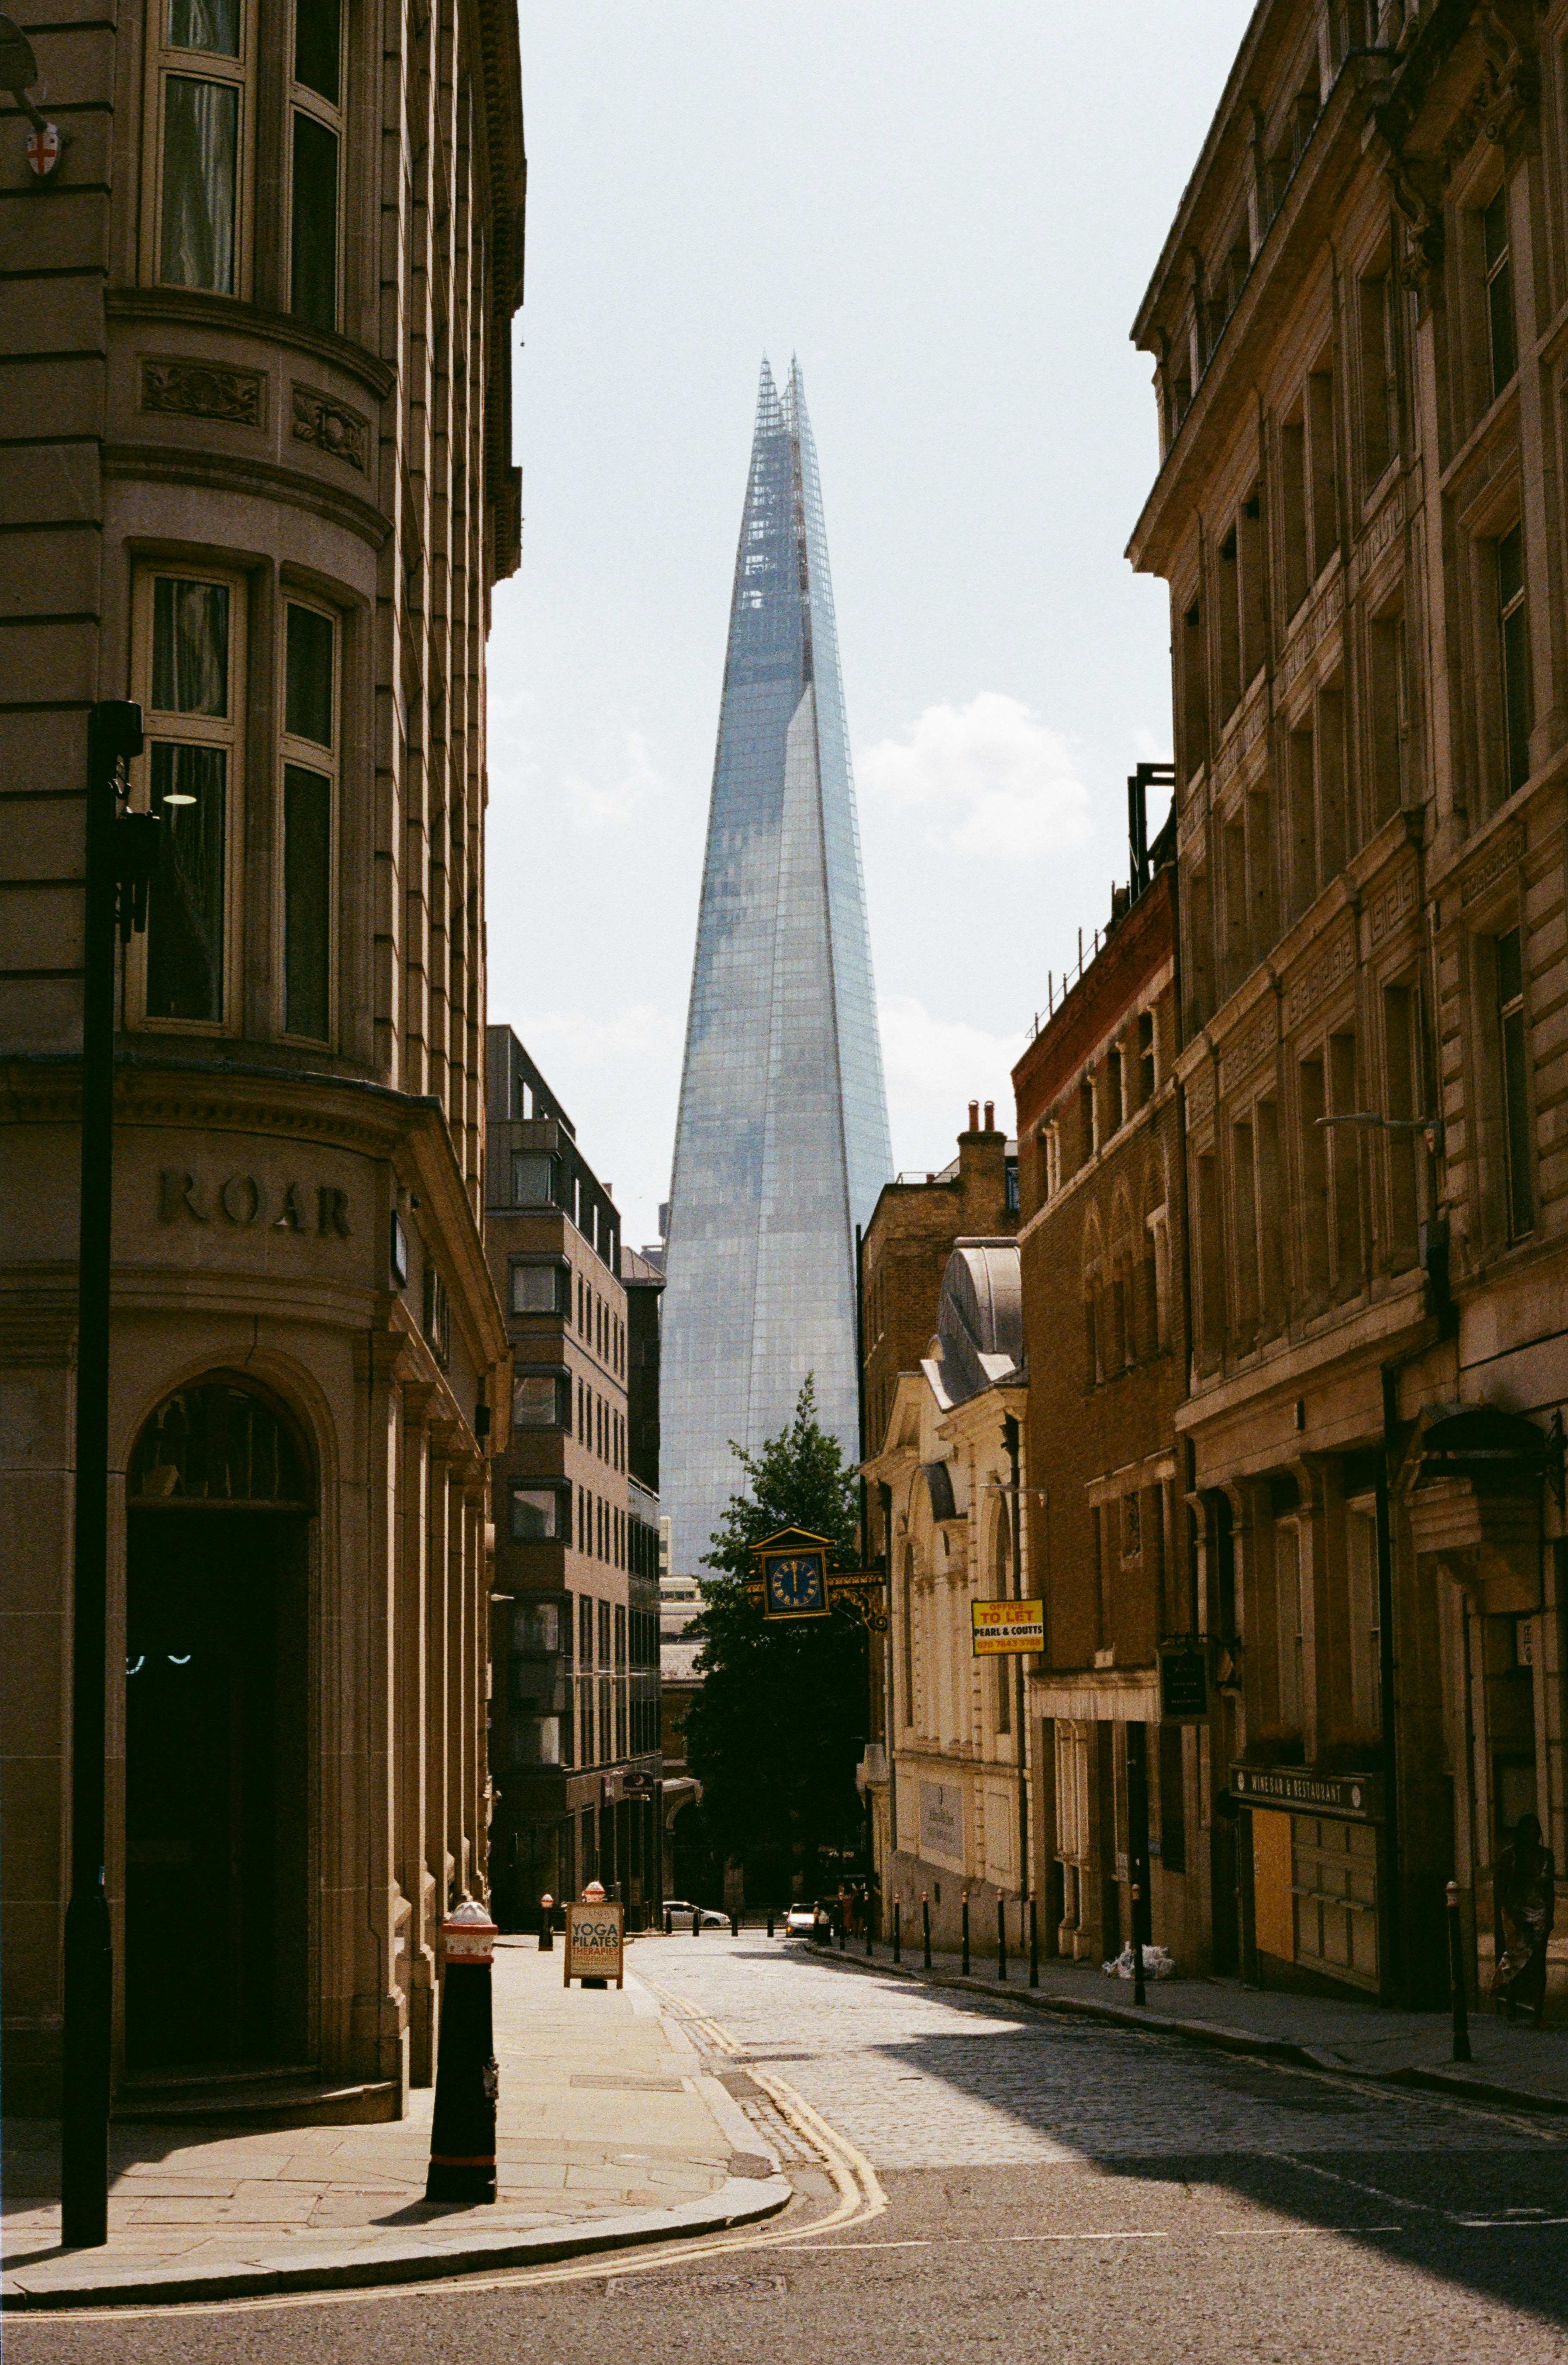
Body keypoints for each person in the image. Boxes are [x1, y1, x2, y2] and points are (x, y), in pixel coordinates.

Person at [1493, 1811, 1556, 2026]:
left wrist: (1551, 1917)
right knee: (1517, 1959)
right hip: (1516, 1912)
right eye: (1528, 1828)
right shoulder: (1510, 1854)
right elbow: (1501, 1889)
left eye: (1535, 1828)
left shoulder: (1547, 1856)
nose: (1532, 1832)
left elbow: (1550, 1889)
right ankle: (1511, 2005)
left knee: (1539, 1962)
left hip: (1540, 1912)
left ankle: (1538, 2013)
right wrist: (1511, 1915)